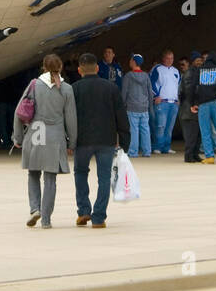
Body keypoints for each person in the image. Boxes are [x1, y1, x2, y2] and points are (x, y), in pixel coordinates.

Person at [13, 53, 78, 228]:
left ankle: (35, 208)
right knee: (50, 179)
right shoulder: (66, 89)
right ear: (61, 67)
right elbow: (71, 118)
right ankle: (46, 220)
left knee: (33, 173)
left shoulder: (34, 85)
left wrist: (17, 137)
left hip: (35, 133)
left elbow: (19, 112)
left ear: (43, 66)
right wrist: (72, 142)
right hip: (55, 135)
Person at [70, 52, 130, 228]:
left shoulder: (74, 89)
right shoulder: (111, 88)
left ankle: (83, 211)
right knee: (104, 178)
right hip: (106, 139)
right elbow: (121, 115)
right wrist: (125, 141)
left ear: (80, 70)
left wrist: (68, 140)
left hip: (82, 140)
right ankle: (99, 217)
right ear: (97, 68)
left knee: (80, 173)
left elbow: (69, 117)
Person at [190, 52, 216, 164]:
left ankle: (210, 156)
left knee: (205, 130)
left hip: (203, 104)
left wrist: (193, 103)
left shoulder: (200, 70)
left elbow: (193, 86)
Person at [120, 54, 153, 158]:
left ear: (134, 62)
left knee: (134, 130)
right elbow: (150, 92)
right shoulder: (146, 76)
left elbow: (124, 92)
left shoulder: (128, 76)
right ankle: (147, 151)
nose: (129, 62)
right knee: (145, 129)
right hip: (144, 107)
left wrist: (122, 105)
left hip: (132, 107)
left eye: (130, 60)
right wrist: (150, 106)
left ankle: (133, 152)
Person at [149, 49, 181, 155]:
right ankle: (157, 146)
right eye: (167, 58)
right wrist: (156, 95)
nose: (169, 60)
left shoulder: (176, 71)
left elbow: (179, 86)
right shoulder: (157, 69)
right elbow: (151, 82)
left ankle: (166, 147)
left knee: (169, 127)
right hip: (162, 102)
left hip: (174, 103)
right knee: (160, 126)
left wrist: (178, 97)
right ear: (163, 58)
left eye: (171, 58)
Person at [178, 51, 204, 162]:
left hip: (196, 108)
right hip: (189, 109)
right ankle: (189, 156)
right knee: (191, 135)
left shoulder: (199, 72)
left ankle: (195, 154)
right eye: (197, 61)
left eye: (201, 61)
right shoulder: (190, 73)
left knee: (198, 134)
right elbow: (187, 91)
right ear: (193, 62)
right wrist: (193, 103)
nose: (199, 62)